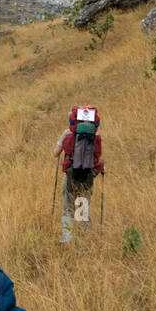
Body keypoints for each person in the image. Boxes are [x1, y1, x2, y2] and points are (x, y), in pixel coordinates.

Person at [54, 104, 104, 243]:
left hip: (71, 174)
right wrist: (101, 169)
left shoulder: (67, 133)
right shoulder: (95, 136)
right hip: (88, 175)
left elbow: (55, 153)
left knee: (68, 207)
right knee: (83, 206)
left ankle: (67, 239)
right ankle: (85, 239)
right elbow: (99, 159)